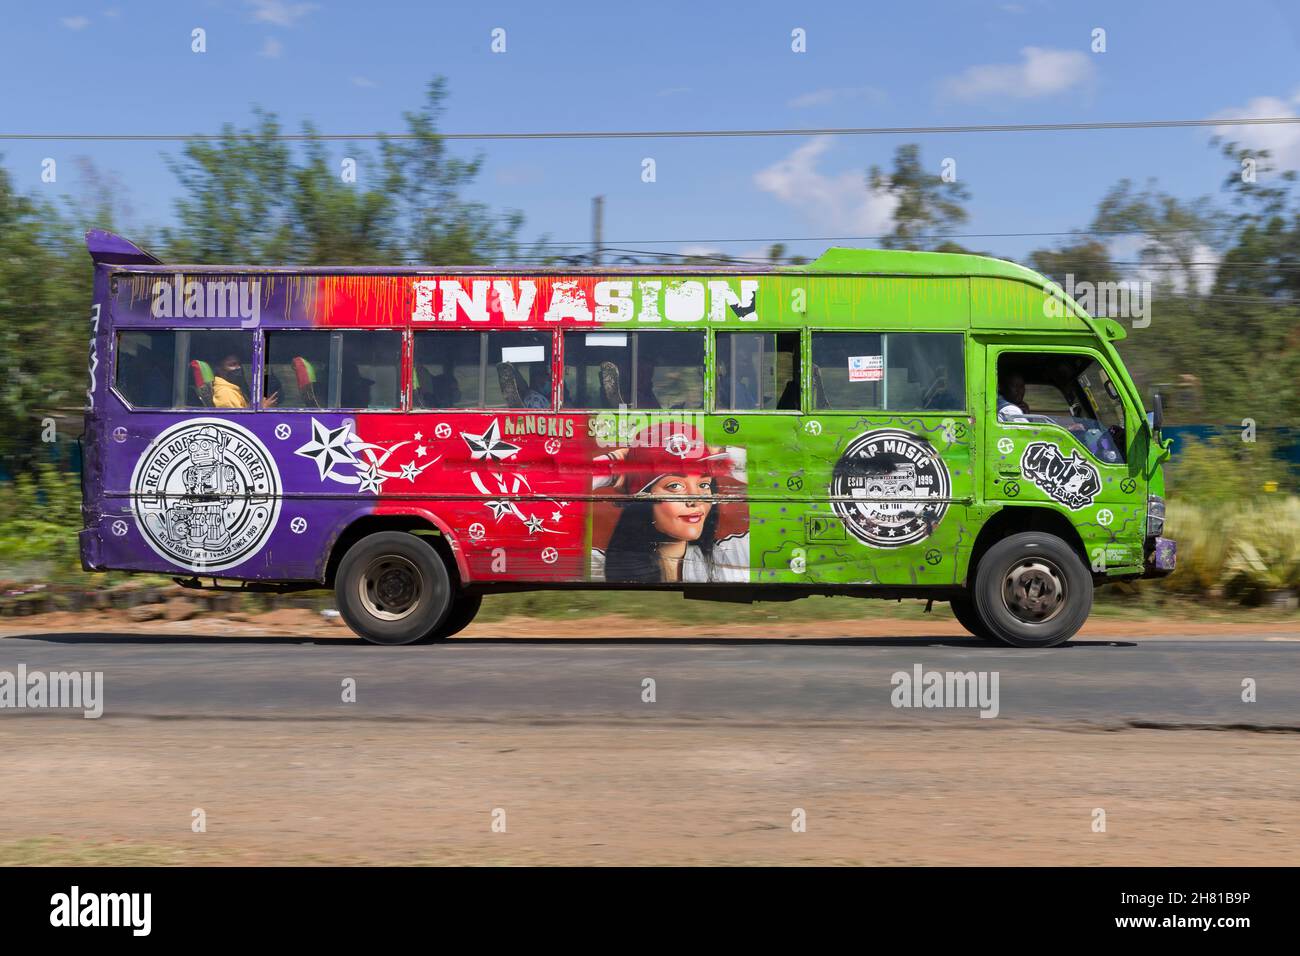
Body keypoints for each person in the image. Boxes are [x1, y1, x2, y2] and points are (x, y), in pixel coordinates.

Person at [591, 425, 748, 583]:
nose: (696, 500)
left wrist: (720, 453)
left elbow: (771, 470)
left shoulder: (732, 555)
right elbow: (567, 483)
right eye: (675, 486)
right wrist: (613, 464)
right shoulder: (597, 567)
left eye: (704, 485)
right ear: (641, 499)